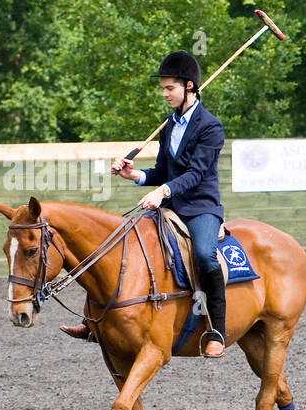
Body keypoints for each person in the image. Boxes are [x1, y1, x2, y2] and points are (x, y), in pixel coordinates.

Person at [63, 50, 228, 357]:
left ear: (189, 86)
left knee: (205, 255)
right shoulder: (169, 124)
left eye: (170, 88)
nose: (165, 94)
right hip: (170, 205)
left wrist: (162, 192)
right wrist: (134, 174)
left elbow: (195, 174)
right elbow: (164, 171)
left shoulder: (210, 127)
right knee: (125, 243)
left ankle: (216, 327)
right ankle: (94, 320)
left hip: (200, 207)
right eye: (163, 88)